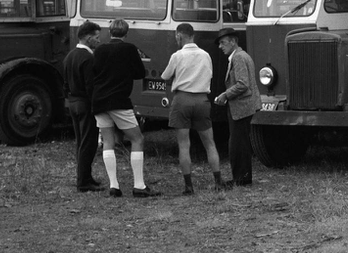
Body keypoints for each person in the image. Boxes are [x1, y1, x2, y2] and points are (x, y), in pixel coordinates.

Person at [90, 18, 156, 197]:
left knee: (108, 141)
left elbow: (94, 71)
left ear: (109, 32)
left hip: (99, 101)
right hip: (119, 100)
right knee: (137, 139)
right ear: (126, 33)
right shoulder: (129, 49)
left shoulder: (100, 49)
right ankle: (139, 185)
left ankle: (114, 185)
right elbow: (139, 73)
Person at [160, 23, 227, 195]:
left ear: (179, 36)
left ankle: (189, 186)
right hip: (202, 100)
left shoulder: (177, 55)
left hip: (182, 100)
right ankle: (218, 181)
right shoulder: (205, 55)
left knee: (184, 145)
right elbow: (209, 76)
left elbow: (165, 76)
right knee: (209, 143)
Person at [213, 28, 261, 186]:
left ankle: (241, 179)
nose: (220, 46)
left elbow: (242, 84)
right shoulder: (240, 56)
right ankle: (242, 178)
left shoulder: (238, 58)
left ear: (233, 41)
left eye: (223, 42)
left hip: (241, 107)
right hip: (244, 106)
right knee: (240, 144)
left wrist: (225, 95)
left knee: (237, 145)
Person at [63, 21, 103, 192]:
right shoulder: (88, 58)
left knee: (80, 141)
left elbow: (64, 83)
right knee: (89, 142)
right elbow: (90, 85)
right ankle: (83, 181)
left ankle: (85, 177)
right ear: (88, 38)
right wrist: (97, 105)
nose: (98, 41)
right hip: (85, 103)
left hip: (72, 102)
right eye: (96, 37)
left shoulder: (70, 56)